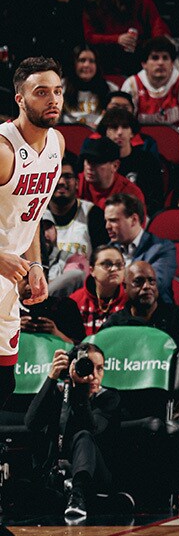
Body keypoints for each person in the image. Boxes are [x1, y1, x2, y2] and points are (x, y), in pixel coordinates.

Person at [0, 56, 64, 404]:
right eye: (41, 92)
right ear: (20, 99)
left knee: (4, 385)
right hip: (2, 267)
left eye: (57, 91)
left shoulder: (57, 144)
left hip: (9, 282)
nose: (53, 99)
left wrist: (35, 264)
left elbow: (32, 213)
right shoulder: (3, 150)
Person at [24, 343, 131, 522]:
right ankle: (84, 501)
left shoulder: (109, 398)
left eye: (100, 368)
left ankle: (78, 494)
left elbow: (93, 429)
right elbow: (31, 422)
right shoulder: (62, 392)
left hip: (96, 475)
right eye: (88, 367)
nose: (94, 375)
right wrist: (52, 377)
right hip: (59, 472)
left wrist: (81, 391)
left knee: (83, 436)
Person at [82, 0, 171, 76]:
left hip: (138, 53)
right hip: (107, 57)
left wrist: (157, 46)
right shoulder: (92, 3)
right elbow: (90, 36)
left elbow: (155, 21)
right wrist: (117, 39)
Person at [121, 36, 179, 155]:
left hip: (175, 142)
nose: (160, 63)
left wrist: (167, 139)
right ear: (144, 63)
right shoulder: (132, 84)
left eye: (165, 58)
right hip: (140, 142)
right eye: (155, 58)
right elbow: (124, 122)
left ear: (172, 63)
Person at [102, 261, 179, 348]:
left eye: (151, 281)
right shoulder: (114, 325)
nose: (147, 286)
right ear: (125, 287)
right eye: (138, 282)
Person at [104, 193, 176, 303]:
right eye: (106, 221)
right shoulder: (108, 250)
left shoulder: (162, 248)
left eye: (113, 220)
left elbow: (152, 286)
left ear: (133, 219)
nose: (107, 226)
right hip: (116, 313)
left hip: (153, 315)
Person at [97, 107, 164, 214]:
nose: (119, 132)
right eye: (114, 127)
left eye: (125, 127)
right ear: (106, 133)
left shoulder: (147, 161)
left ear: (132, 132)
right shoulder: (97, 162)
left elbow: (155, 200)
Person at [49, 152, 108, 258]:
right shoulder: (36, 214)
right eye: (55, 176)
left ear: (77, 183)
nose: (61, 181)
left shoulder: (94, 215)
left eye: (67, 176)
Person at [18, 261, 85, 345]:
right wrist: (12, 328)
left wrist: (55, 332)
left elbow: (81, 347)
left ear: (46, 278)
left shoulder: (64, 307)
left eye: (37, 276)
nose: (32, 283)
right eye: (25, 277)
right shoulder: (7, 309)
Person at [70, 244, 128, 334]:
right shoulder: (75, 300)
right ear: (92, 270)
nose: (114, 269)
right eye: (107, 264)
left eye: (119, 264)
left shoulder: (130, 300)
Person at [77, 137, 146, 213]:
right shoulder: (76, 184)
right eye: (87, 161)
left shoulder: (131, 193)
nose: (89, 167)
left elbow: (135, 224)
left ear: (115, 166)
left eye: (97, 162)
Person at [60, 44, 116, 128]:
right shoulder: (60, 87)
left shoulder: (111, 89)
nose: (86, 65)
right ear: (74, 64)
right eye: (82, 60)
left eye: (92, 61)